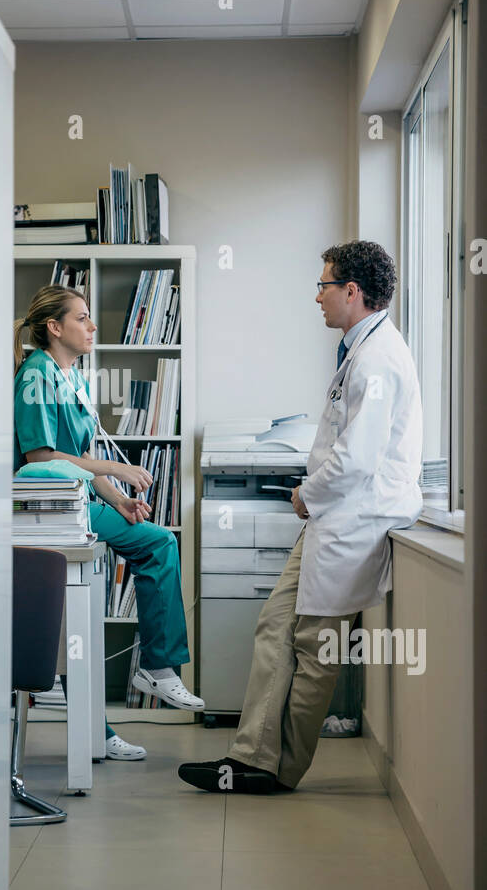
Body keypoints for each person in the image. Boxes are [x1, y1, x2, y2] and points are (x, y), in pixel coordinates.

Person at [179, 240, 423, 795]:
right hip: (332, 520)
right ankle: (254, 758)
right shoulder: (362, 349)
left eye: (324, 285)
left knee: (315, 649)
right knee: (276, 626)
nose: (317, 297)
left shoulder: (379, 358)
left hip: (351, 521)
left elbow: (358, 457)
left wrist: (306, 494)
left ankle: (278, 770)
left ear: (352, 292)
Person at [14, 284, 204, 761]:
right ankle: (157, 668)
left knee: (79, 623)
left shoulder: (71, 375)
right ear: (55, 328)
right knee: (158, 545)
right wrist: (116, 469)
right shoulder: (36, 374)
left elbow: (81, 457)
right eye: (82, 318)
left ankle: (108, 721)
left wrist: (118, 500)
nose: (92, 327)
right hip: (49, 511)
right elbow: (41, 456)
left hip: (76, 502)